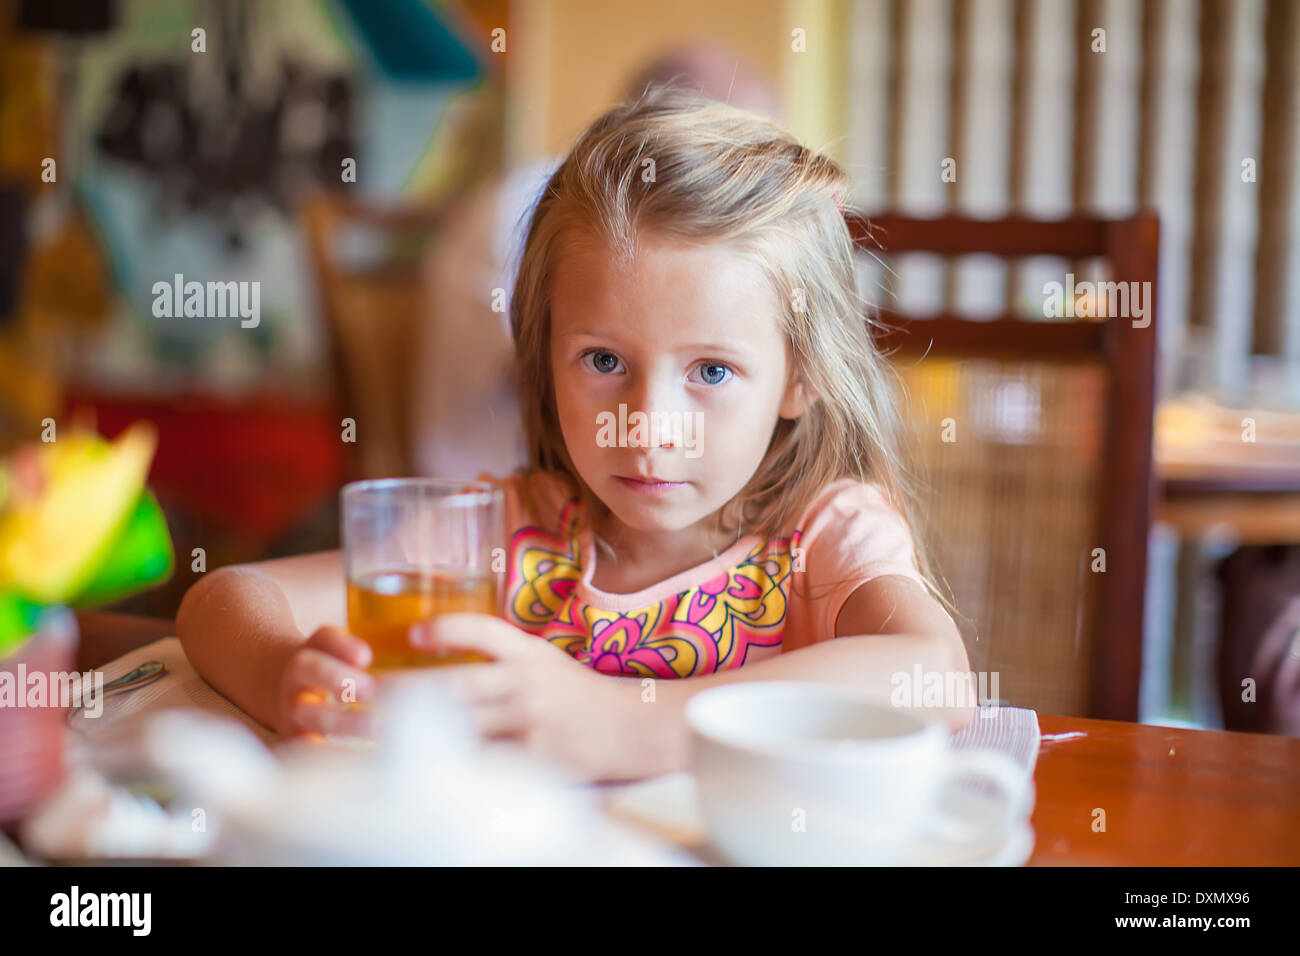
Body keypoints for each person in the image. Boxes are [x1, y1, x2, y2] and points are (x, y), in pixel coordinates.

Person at [177, 87, 972, 782]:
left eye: (712, 372)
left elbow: (934, 678)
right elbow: (227, 598)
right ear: (542, 355)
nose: (649, 427)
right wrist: (287, 674)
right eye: (602, 359)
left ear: (800, 377)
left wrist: (622, 721)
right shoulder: (505, 531)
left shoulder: (821, 539)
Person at [411, 41, 783, 479]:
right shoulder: (546, 208)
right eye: (742, 161)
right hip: (503, 488)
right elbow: (543, 377)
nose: (759, 192)